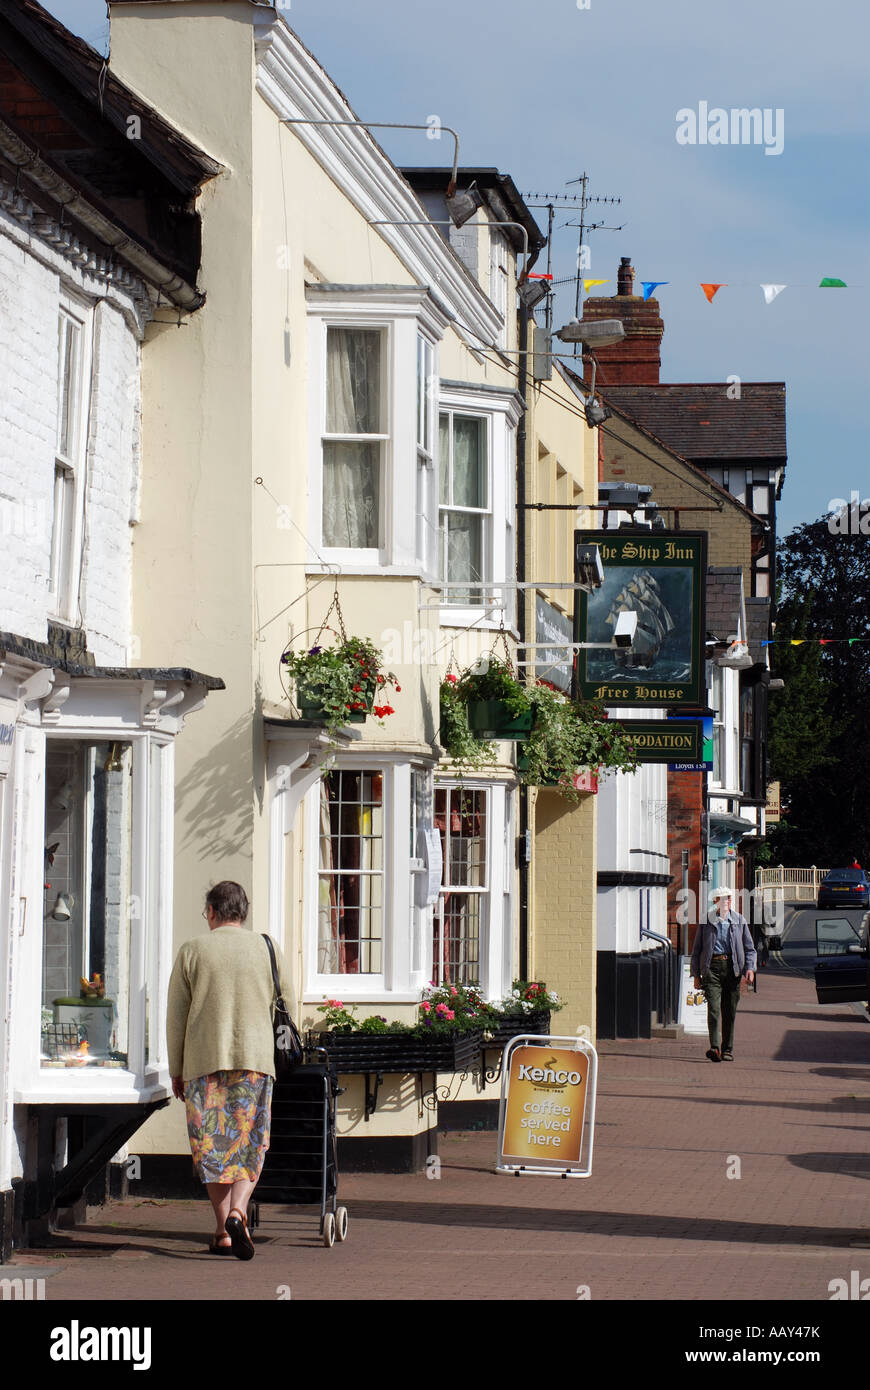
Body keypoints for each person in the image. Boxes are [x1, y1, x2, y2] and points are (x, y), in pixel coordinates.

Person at [167, 881, 289, 1259]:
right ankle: (239, 1212)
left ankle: (222, 1231)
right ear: (244, 911)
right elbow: (288, 1004)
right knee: (251, 1142)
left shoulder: (192, 951)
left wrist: (177, 1068)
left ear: (211, 912)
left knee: (211, 1147)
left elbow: (176, 1017)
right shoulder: (267, 948)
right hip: (255, 1061)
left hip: (204, 1064)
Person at [691, 886, 756, 1063]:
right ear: (715, 902)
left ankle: (728, 1049)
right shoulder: (706, 921)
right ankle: (715, 1047)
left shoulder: (739, 920)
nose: (725, 901)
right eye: (721, 898)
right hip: (711, 967)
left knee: (729, 1011)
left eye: (728, 898)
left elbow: (750, 948)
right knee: (713, 1008)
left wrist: (750, 968)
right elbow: (696, 950)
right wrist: (696, 975)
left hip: (732, 968)